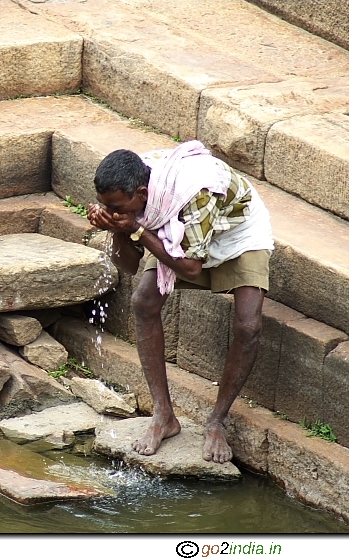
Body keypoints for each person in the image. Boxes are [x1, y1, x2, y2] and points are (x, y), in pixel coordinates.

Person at [87, 142, 274, 463]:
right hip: (178, 232)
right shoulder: (133, 190)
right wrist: (117, 228)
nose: (116, 211)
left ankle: (217, 422)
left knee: (249, 324)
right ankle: (164, 416)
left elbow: (190, 266)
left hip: (236, 233)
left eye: (120, 207)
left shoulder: (197, 192)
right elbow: (130, 265)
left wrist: (135, 228)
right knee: (143, 301)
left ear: (142, 193)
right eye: (110, 207)